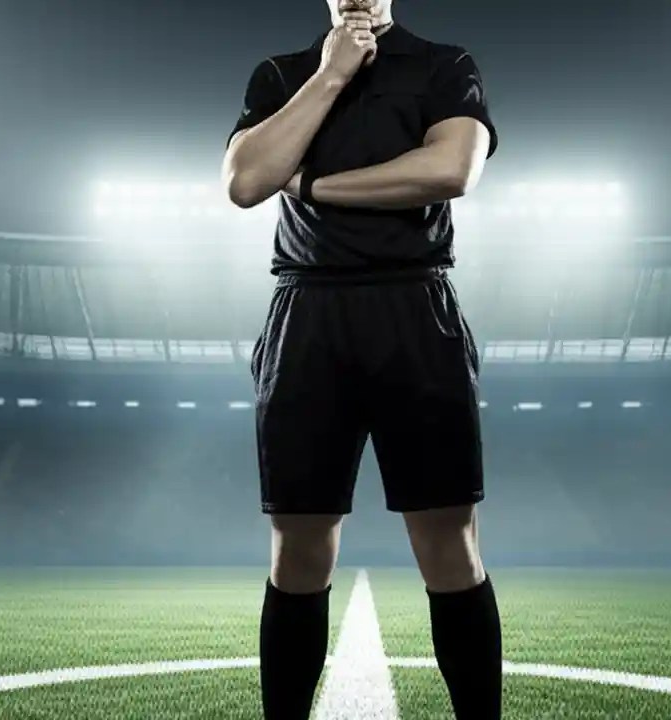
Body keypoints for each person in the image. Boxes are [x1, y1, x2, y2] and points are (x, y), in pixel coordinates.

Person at [221, 1, 500, 717]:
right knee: (298, 552)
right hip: (307, 313)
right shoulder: (283, 73)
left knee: (449, 548)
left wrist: (312, 185)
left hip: (415, 306)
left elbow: (451, 169)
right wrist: (330, 76)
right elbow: (248, 181)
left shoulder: (444, 63)